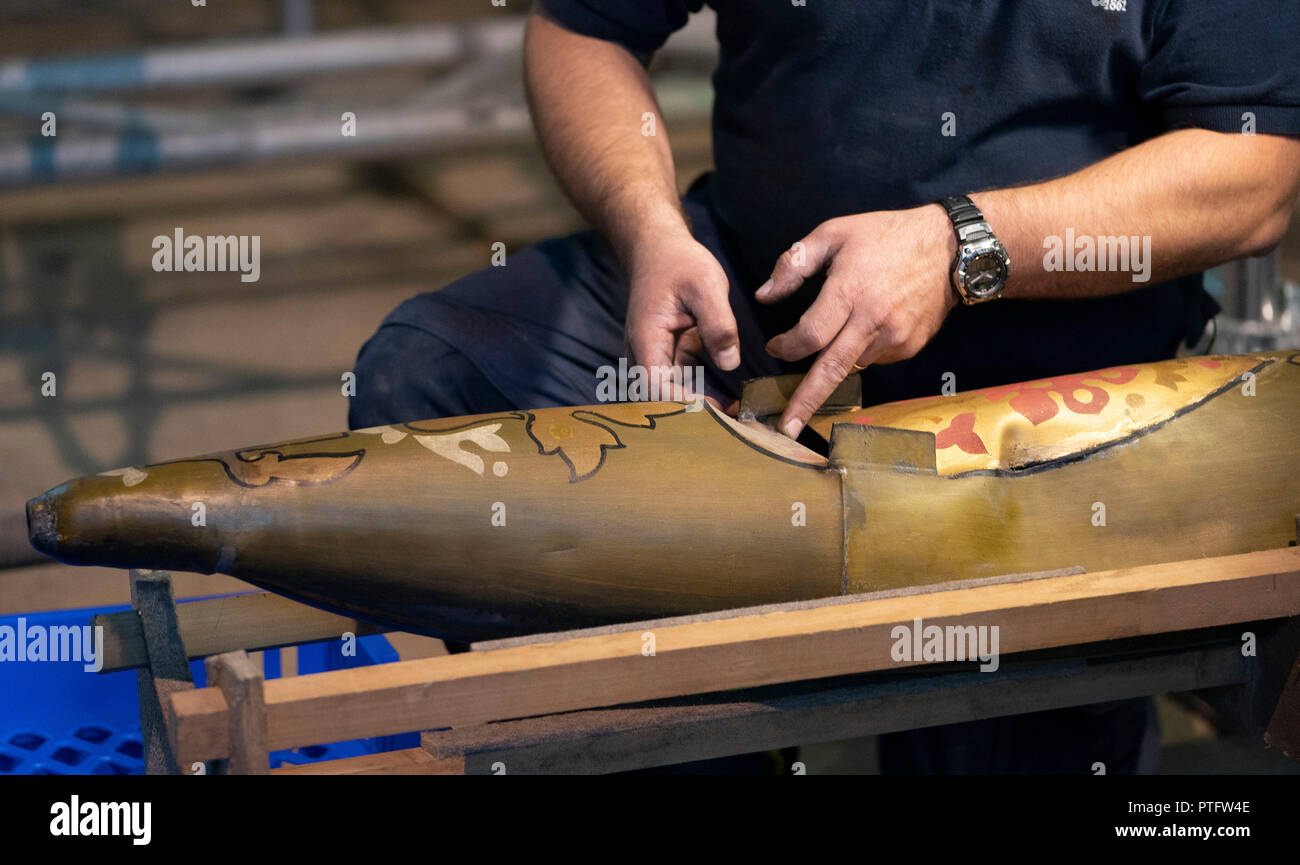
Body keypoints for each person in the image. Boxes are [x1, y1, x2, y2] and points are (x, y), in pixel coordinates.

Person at [350, 1, 1300, 773]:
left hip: (1039, 379)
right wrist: (648, 227)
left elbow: (1255, 169)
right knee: (431, 379)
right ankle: (685, 737)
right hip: (743, 297)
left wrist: (962, 244)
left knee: (999, 733)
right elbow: (582, 28)